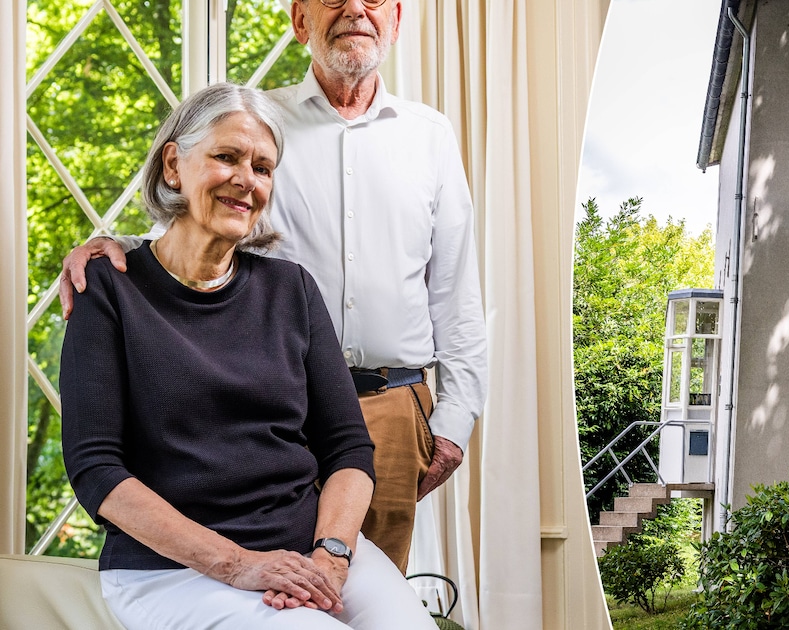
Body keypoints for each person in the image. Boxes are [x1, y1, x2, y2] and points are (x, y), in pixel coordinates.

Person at [61, 0, 487, 575]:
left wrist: (455, 420)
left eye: (375, 1)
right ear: (299, 21)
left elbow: (456, 291)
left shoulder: (430, 136)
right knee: (267, 590)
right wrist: (117, 248)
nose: (356, 10)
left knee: (356, 586)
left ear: (396, 21)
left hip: (392, 408)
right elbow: (208, 215)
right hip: (274, 408)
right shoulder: (261, 123)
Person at [59, 82, 437, 630]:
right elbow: (97, 471)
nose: (247, 180)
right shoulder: (110, 288)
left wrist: (330, 558)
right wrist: (238, 566)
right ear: (173, 165)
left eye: (263, 167)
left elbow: (348, 447)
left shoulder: (292, 290)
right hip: (172, 572)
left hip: (306, 549)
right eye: (226, 157)